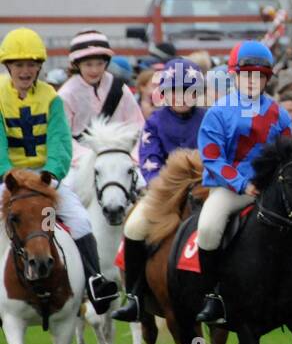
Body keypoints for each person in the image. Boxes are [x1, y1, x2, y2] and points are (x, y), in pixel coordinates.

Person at [193, 41, 292, 326]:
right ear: (234, 76)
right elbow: (212, 158)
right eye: (246, 74)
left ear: (267, 78)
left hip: (273, 188)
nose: (253, 80)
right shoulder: (218, 112)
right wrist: (243, 184)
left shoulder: (279, 113)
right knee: (207, 227)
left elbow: (289, 153)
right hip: (231, 188)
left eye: (259, 75)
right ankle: (212, 295)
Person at [0, 28, 119, 313]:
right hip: (9, 178)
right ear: (8, 67)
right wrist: (8, 173)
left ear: (40, 67)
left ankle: (94, 282)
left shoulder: (51, 97)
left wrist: (52, 172)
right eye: (19, 65)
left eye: (31, 64)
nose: (25, 71)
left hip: (43, 177)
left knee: (80, 219)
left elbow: (60, 141)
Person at [112, 59, 208, 322]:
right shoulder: (154, 122)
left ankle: (220, 293)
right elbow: (150, 162)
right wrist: (167, 187)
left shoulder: (208, 119)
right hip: (164, 193)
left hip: (205, 191)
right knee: (133, 227)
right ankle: (134, 296)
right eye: (176, 90)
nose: (182, 97)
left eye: (189, 90)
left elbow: (216, 155)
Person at [58, 29, 144, 138]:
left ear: (107, 63)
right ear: (77, 64)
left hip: (122, 149)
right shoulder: (66, 94)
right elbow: (63, 137)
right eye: (88, 64)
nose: (95, 70)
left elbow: (137, 125)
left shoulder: (119, 87)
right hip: (82, 153)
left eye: (100, 63)